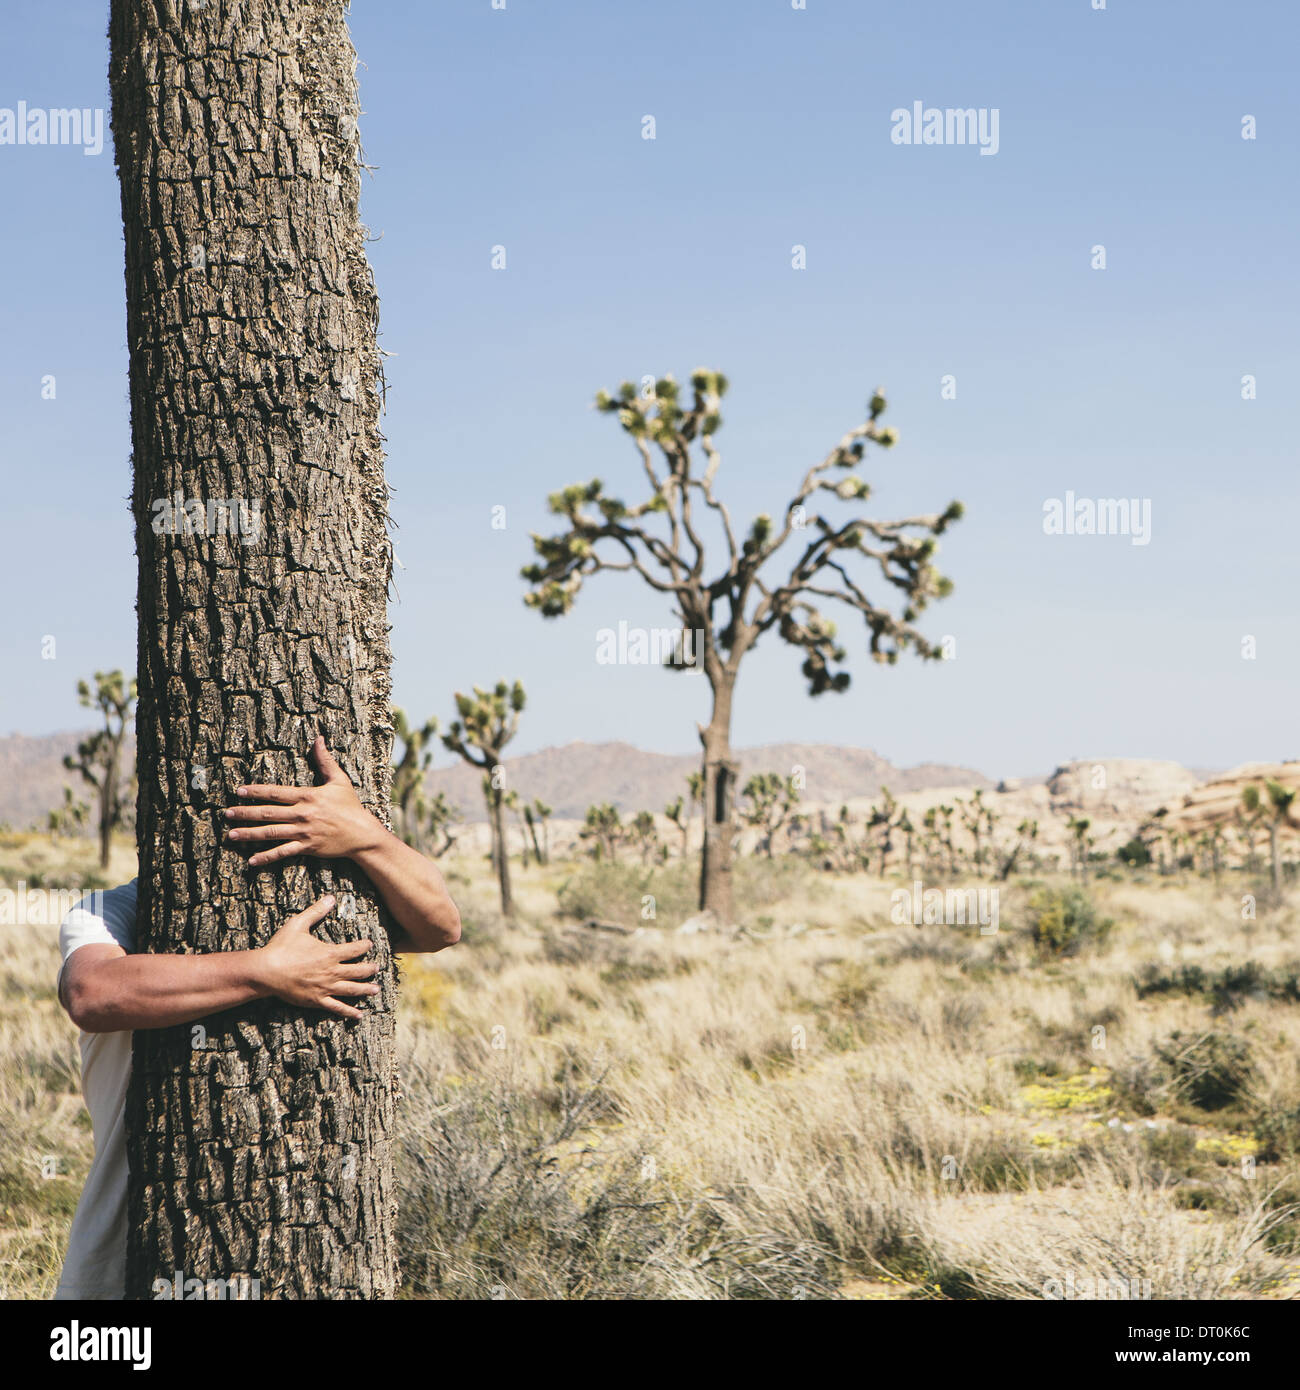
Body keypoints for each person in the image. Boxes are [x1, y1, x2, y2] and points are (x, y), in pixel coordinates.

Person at [54, 735, 461, 1300]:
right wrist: (265, 971)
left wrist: (365, 835)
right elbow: (91, 994)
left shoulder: (348, 886)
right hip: (125, 1260)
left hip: (318, 1248)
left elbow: (441, 926)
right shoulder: (113, 912)